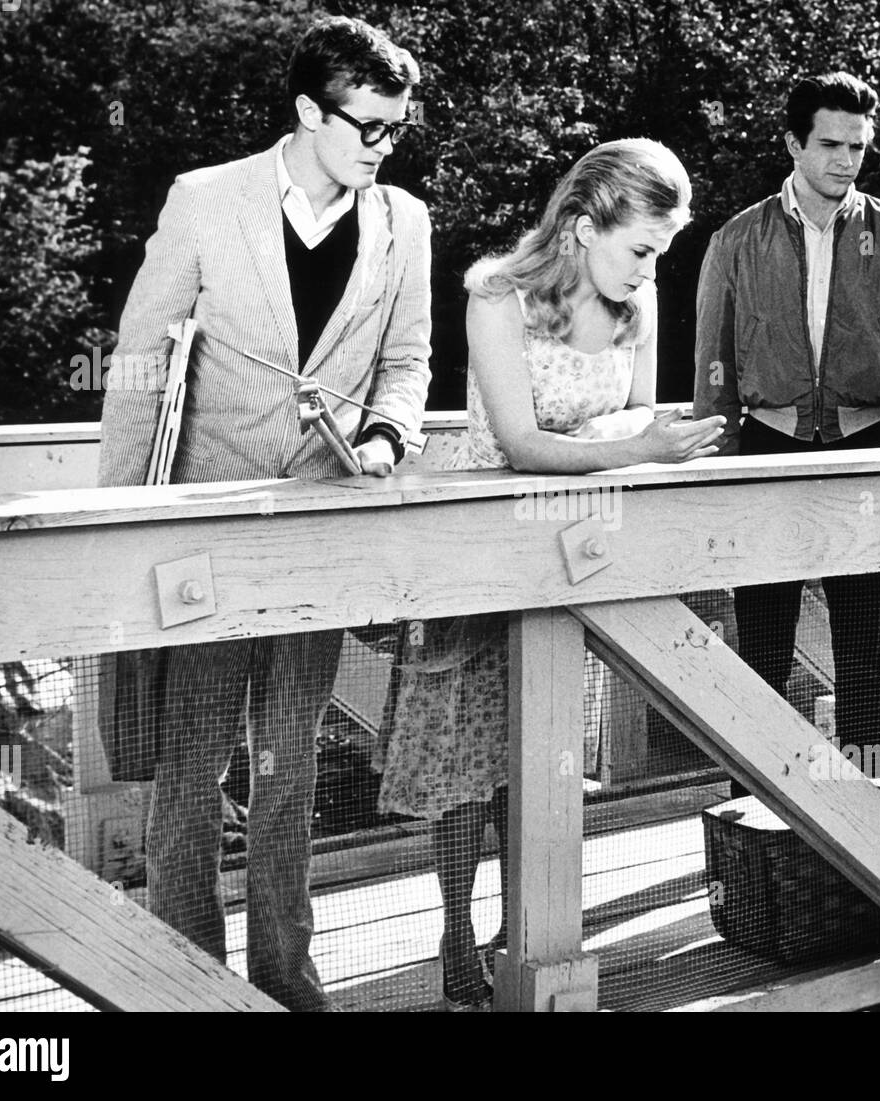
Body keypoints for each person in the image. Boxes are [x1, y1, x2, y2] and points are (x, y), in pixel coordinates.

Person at [96, 15, 431, 1011]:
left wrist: (386, 439)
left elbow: (407, 365)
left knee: (288, 776)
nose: (380, 147)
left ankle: (287, 981)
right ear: (306, 111)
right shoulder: (204, 201)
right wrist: (117, 529)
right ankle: (183, 984)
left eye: (394, 130)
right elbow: (141, 364)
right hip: (202, 541)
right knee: (189, 776)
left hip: (317, 539)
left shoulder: (402, 221)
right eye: (365, 126)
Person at [374, 138, 724, 1009]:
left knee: (542, 757)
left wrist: (643, 439)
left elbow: (641, 409)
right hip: (483, 557)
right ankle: (455, 924)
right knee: (460, 761)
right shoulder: (497, 294)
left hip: (573, 562)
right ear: (579, 227)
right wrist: (639, 446)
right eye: (641, 249)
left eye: (662, 253)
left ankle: (521, 933)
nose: (651, 271)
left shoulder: (638, 302)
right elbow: (524, 443)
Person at [693, 72, 880, 784]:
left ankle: (871, 803)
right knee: (765, 650)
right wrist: (717, 478)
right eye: (831, 143)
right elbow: (711, 372)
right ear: (793, 142)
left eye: (858, 146)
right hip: (765, 451)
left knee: (862, 650)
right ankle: (760, 802)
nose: (846, 159)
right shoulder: (737, 239)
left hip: (867, 449)